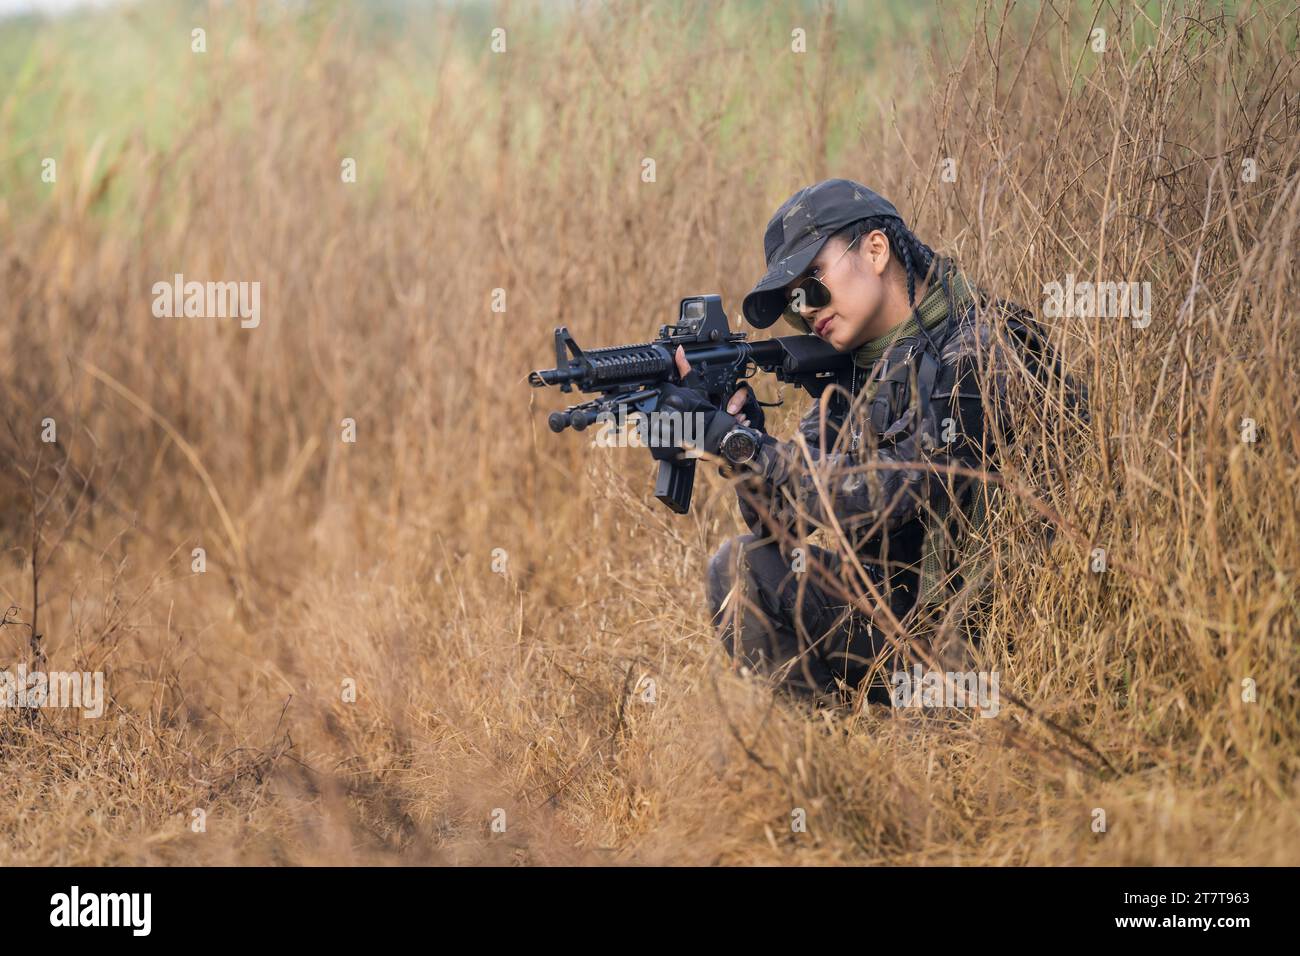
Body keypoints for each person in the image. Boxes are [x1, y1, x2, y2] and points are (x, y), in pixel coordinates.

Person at [652, 178, 1085, 707]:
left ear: (876, 250)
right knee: (742, 568)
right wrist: (742, 444)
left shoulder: (983, 345)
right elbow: (785, 522)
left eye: (813, 281)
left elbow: (896, 490)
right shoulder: (864, 371)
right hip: (905, 629)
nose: (806, 309)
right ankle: (820, 759)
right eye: (793, 302)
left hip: (998, 641)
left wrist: (750, 450)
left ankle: (926, 731)